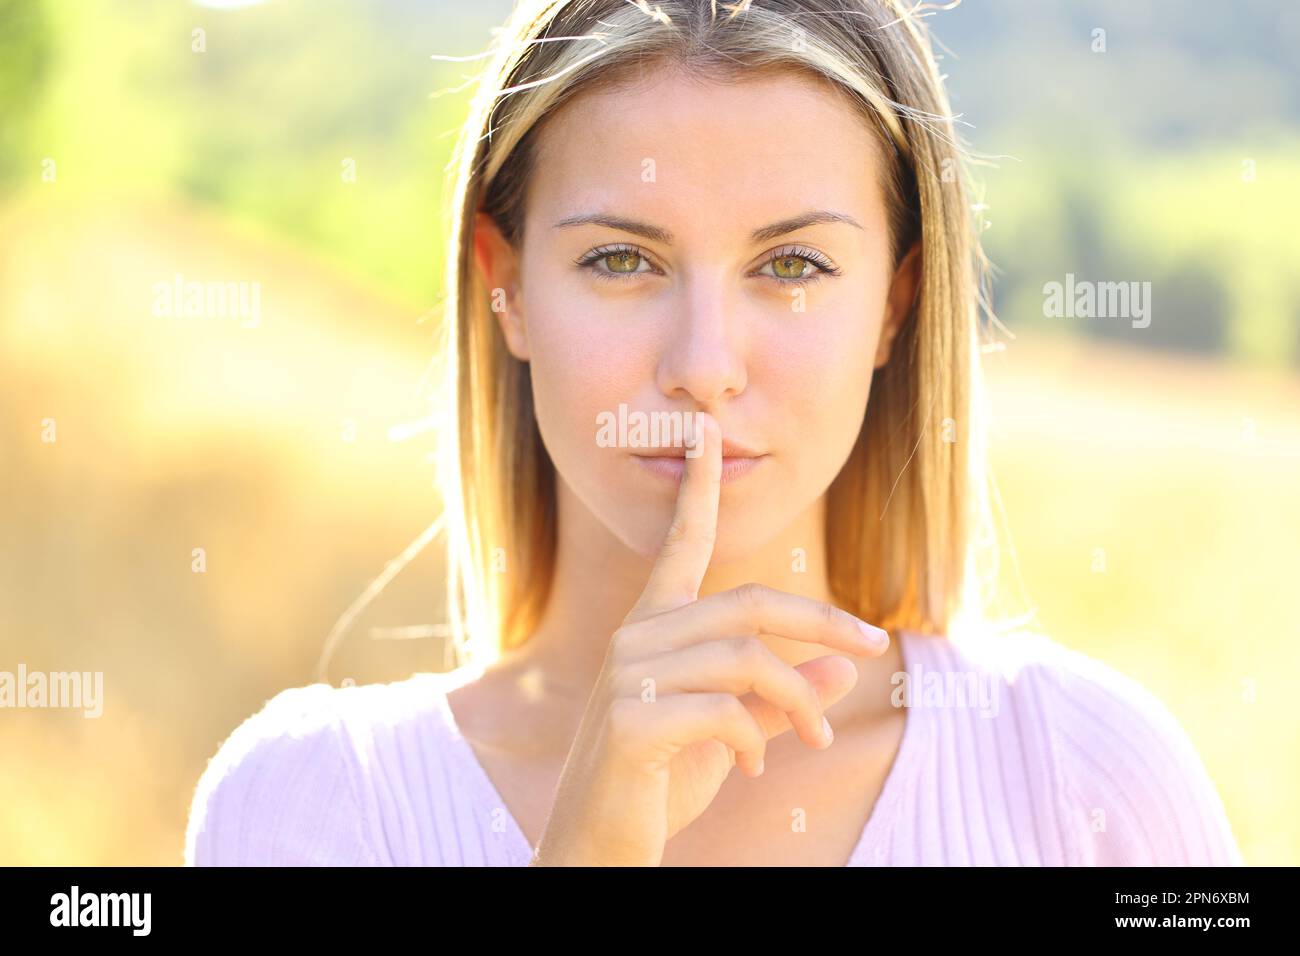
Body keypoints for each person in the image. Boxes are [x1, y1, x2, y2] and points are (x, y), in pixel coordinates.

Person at [185, 0, 1243, 867]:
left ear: (893, 305)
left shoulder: (1087, 780)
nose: (702, 363)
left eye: (790, 266)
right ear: (502, 284)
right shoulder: (309, 804)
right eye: (619, 259)